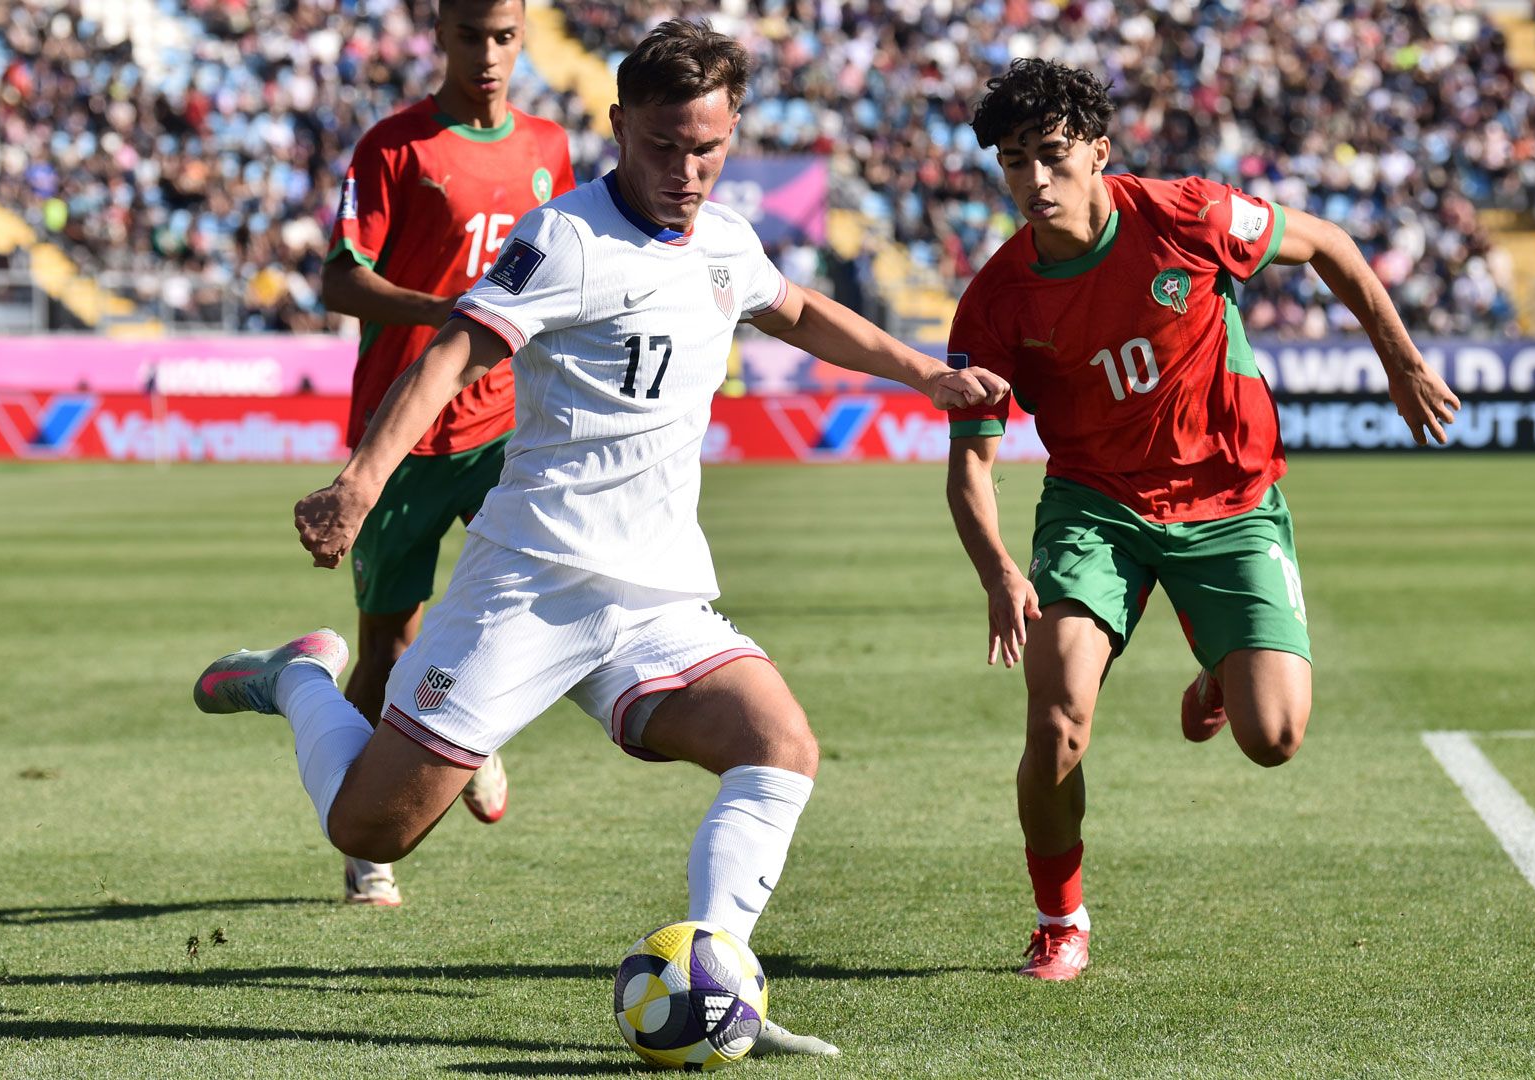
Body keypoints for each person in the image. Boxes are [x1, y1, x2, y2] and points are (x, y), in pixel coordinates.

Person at [194, 19, 1005, 1056]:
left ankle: (721, 977)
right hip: (528, 586)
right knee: (370, 830)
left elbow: (796, 310)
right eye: (664, 146)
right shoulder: (564, 239)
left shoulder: (724, 239)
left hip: (654, 598)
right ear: (621, 126)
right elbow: (449, 355)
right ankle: (300, 676)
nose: (686, 169)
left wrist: (925, 374)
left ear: (733, 130)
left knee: (780, 746)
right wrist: (357, 485)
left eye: (707, 147)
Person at [940, 59, 1459, 982]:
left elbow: (1331, 244)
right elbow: (971, 469)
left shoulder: (1188, 216)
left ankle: (1222, 675)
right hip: (1097, 507)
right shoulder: (994, 302)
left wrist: (1402, 362)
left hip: (1232, 502)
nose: (1035, 180)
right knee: (1057, 715)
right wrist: (998, 573)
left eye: (1053, 156)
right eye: (1014, 162)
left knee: (1275, 739)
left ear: (1099, 153)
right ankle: (1060, 922)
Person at [317, 0, 575, 907]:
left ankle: (472, 725)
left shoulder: (549, 146)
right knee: (387, 644)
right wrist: (447, 315)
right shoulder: (394, 147)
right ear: (441, 35)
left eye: (506, 36)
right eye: (473, 35)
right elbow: (338, 276)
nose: (491, 54)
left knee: (526, 597)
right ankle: (365, 840)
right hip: (406, 431)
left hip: (507, 425)